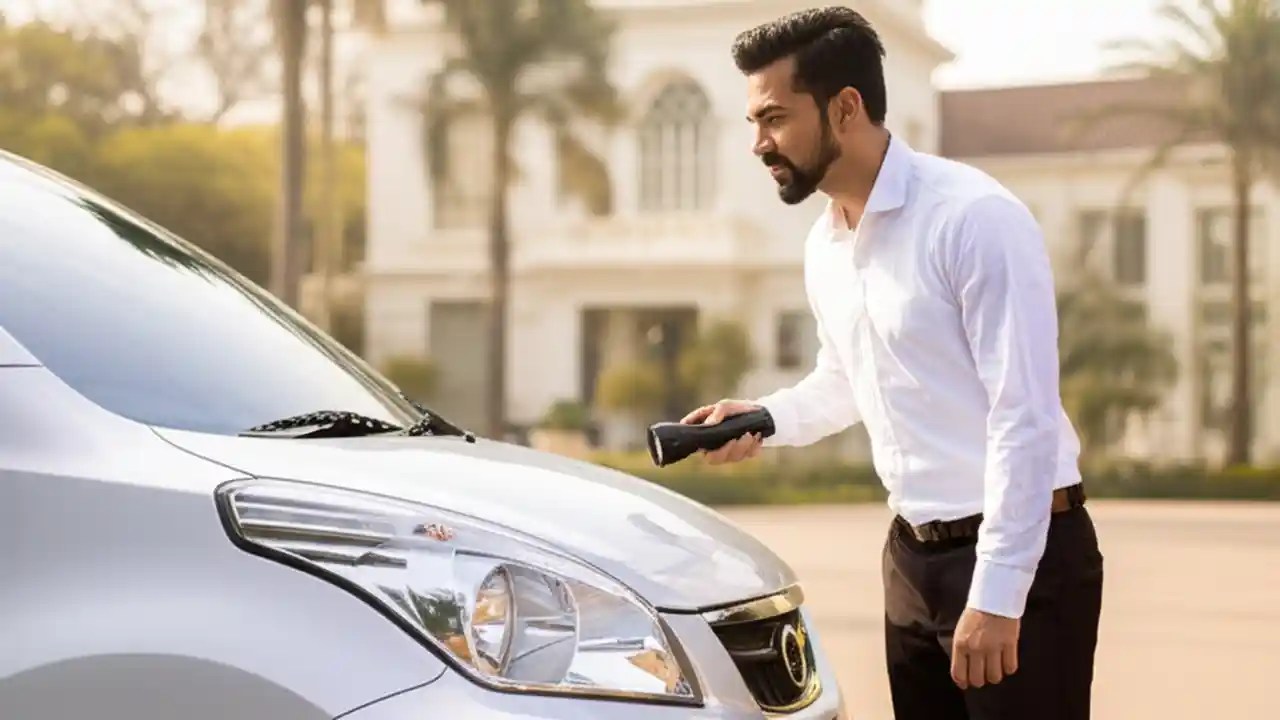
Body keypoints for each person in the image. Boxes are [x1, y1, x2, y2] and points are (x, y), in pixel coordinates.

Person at [679, 7, 1104, 720]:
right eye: (755, 122)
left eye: (775, 118)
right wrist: (760, 418)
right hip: (910, 560)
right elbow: (846, 379)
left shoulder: (973, 219)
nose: (758, 143)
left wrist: (999, 594)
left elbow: (1023, 416)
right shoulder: (826, 244)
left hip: (1016, 557)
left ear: (845, 108)